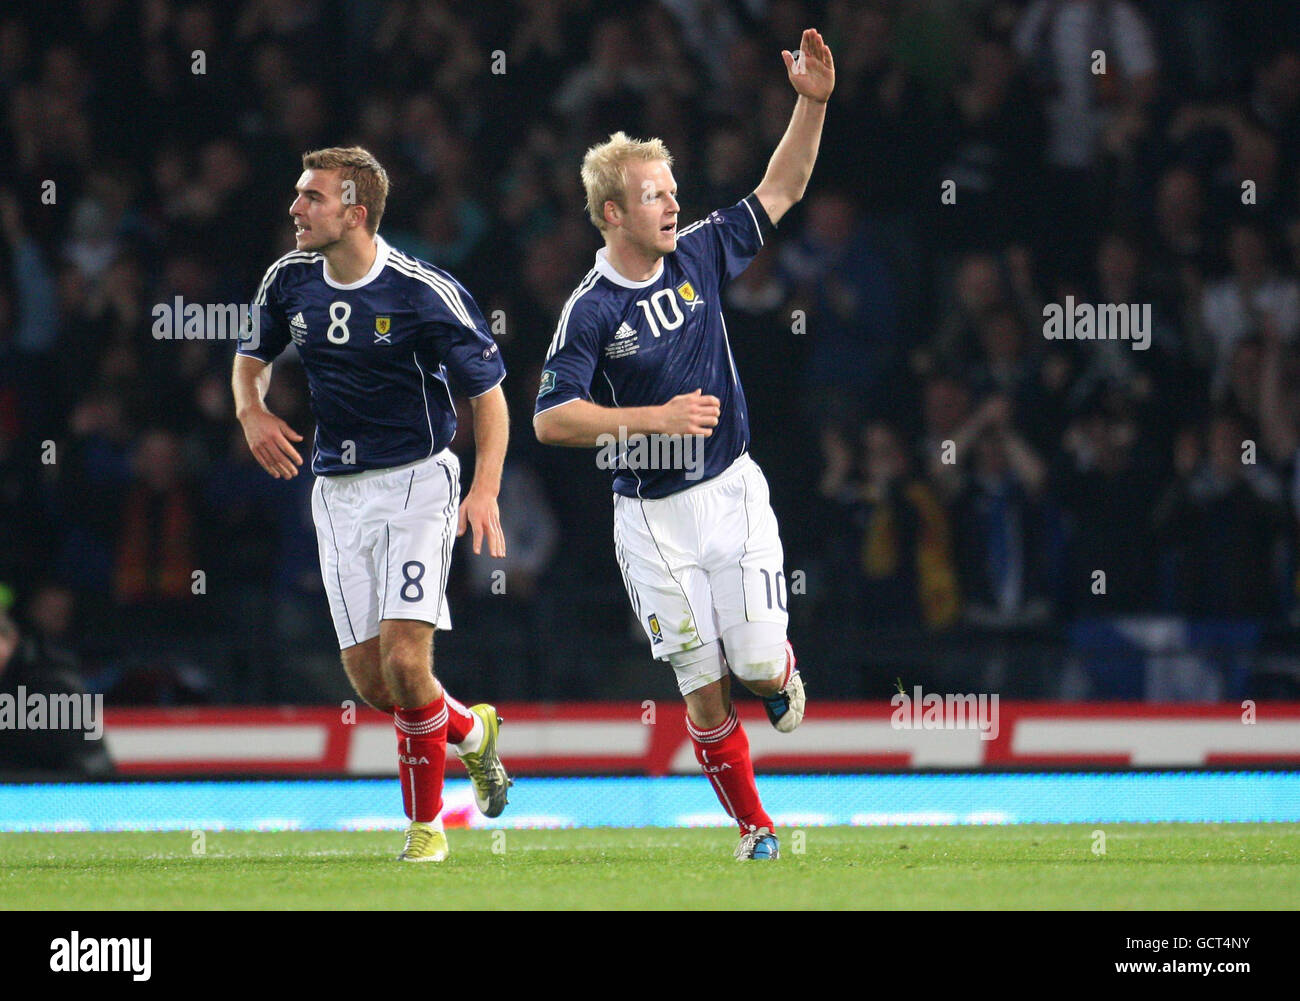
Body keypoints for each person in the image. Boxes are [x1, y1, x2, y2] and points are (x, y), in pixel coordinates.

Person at [533, 29, 834, 860]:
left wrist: (811, 103)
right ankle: (756, 828)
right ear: (613, 214)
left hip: (732, 490)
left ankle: (778, 669)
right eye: (654, 196)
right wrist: (651, 418)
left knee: (758, 669)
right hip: (652, 520)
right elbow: (551, 418)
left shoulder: (699, 249)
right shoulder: (591, 310)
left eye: (673, 191)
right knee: (702, 688)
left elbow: (783, 186)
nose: (672, 205)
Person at [231, 147, 511, 862]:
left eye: (312, 197)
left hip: (417, 484)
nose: (296, 207)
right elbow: (251, 357)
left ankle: (427, 827)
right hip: (336, 494)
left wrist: (483, 488)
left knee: (407, 661)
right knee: (375, 683)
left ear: (355, 213)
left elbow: (488, 396)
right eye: (299, 194)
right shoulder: (289, 279)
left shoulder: (423, 291)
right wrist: (250, 410)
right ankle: (472, 731)